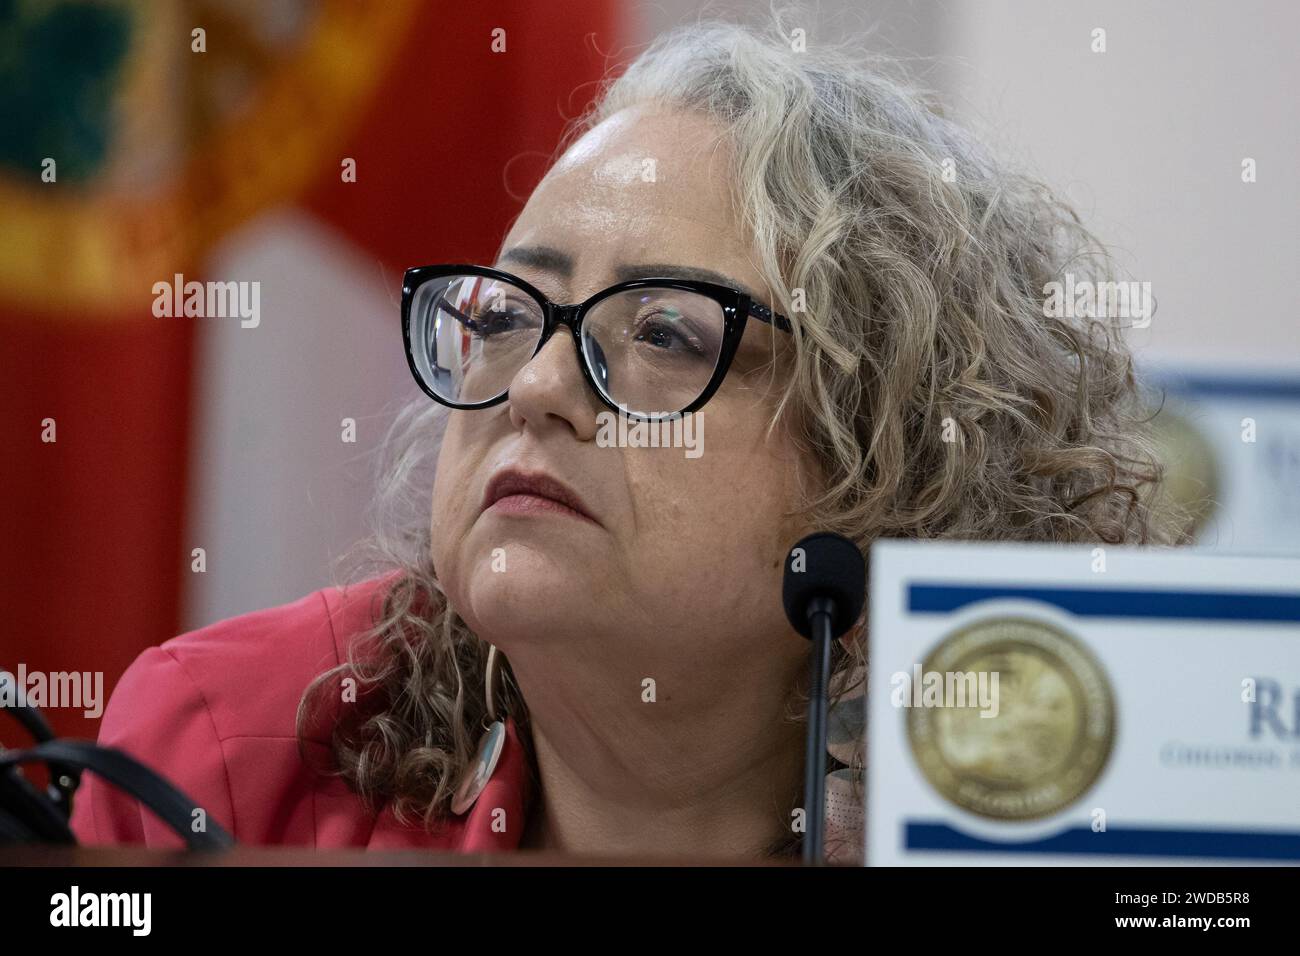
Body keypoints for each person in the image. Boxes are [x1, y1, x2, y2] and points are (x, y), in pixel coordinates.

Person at [71, 16, 1167, 864]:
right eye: (504, 316)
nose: (537, 387)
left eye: (661, 332)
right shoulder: (229, 746)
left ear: (884, 460)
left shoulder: (1042, 807)